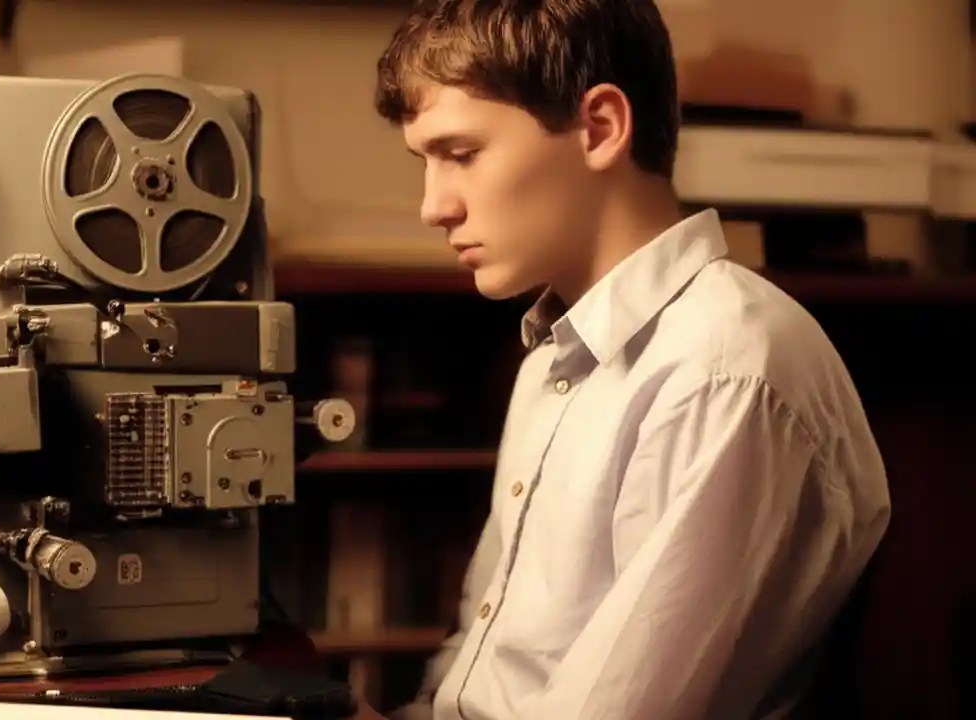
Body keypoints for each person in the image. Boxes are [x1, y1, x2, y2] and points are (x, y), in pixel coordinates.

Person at [354, 1, 893, 718]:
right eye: (425, 162)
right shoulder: (554, 359)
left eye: (461, 154)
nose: (434, 206)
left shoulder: (720, 372)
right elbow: (480, 677)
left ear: (600, 128)